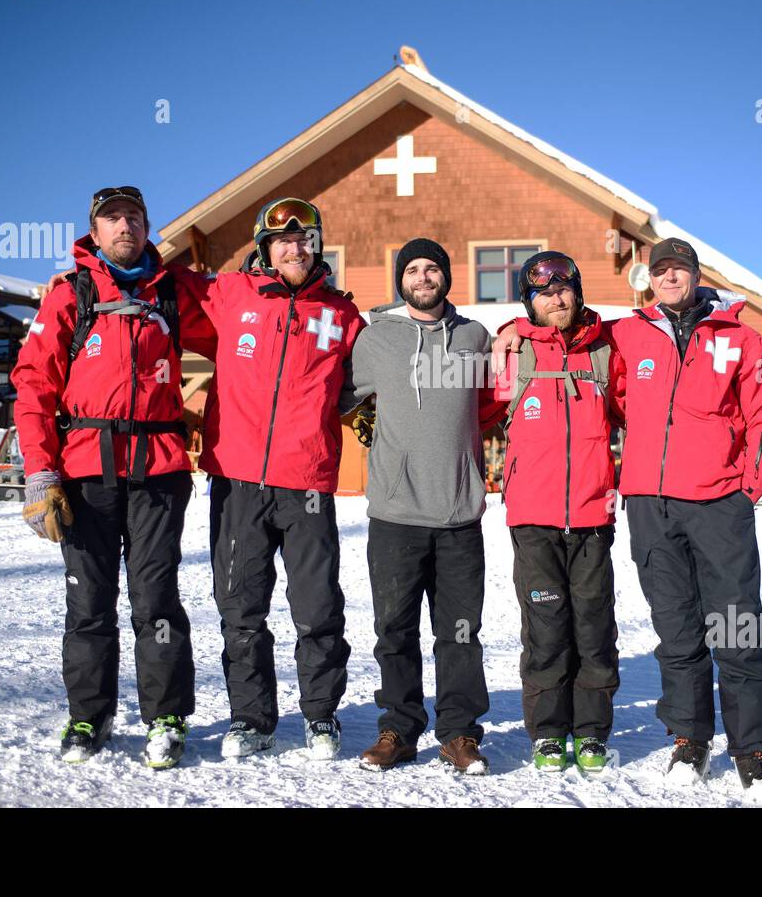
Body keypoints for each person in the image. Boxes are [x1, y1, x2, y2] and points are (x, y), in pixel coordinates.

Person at [14, 186, 216, 769]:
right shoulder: (70, 296)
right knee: (89, 602)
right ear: (94, 232)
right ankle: (89, 715)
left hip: (159, 471)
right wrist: (39, 471)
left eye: (134, 217)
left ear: (148, 227)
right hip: (83, 473)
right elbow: (33, 385)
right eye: (112, 218)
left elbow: (240, 332)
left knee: (156, 599)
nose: (124, 225)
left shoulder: (174, 293)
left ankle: (166, 717)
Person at [175, 197, 364, 761]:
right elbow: (158, 281)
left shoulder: (343, 315)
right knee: (240, 607)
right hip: (236, 480)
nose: (294, 247)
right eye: (282, 239)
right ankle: (250, 719)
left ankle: (321, 717)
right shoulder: (229, 296)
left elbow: (379, 373)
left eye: (305, 238)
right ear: (263, 248)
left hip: (306, 479)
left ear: (317, 245)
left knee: (317, 606)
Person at [608, 237, 762, 801]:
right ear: (649, 279)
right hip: (649, 503)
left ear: (694, 276)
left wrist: (747, 488)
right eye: (659, 270)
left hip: (718, 504)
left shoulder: (741, 338)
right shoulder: (626, 335)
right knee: (677, 630)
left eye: (678, 270)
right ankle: (690, 738)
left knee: (736, 627)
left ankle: (754, 752)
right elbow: (612, 398)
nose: (669, 278)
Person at [346, 238, 505, 775]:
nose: (422, 276)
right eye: (412, 269)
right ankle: (398, 728)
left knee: (460, 632)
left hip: (459, 513)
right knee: (394, 630)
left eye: (431, 267)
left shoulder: (474, 337)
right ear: (401, 279)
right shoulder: (374, 340)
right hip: (394, 514)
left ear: (446, 277)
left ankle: (459, 733)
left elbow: (489, 407)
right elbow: (335, 395)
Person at [497, 251, 625, 775]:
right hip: (533, 519)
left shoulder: (604, 352)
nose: (556, 297)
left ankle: (591, 732)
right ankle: (549, 733)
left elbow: (639, 411)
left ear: (577, 292)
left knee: (594, 629)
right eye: (543, 291)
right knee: (546, 630)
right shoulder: (511, 352)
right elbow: (469, 409)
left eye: (564, 288)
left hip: (593, 517)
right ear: (529, 301)